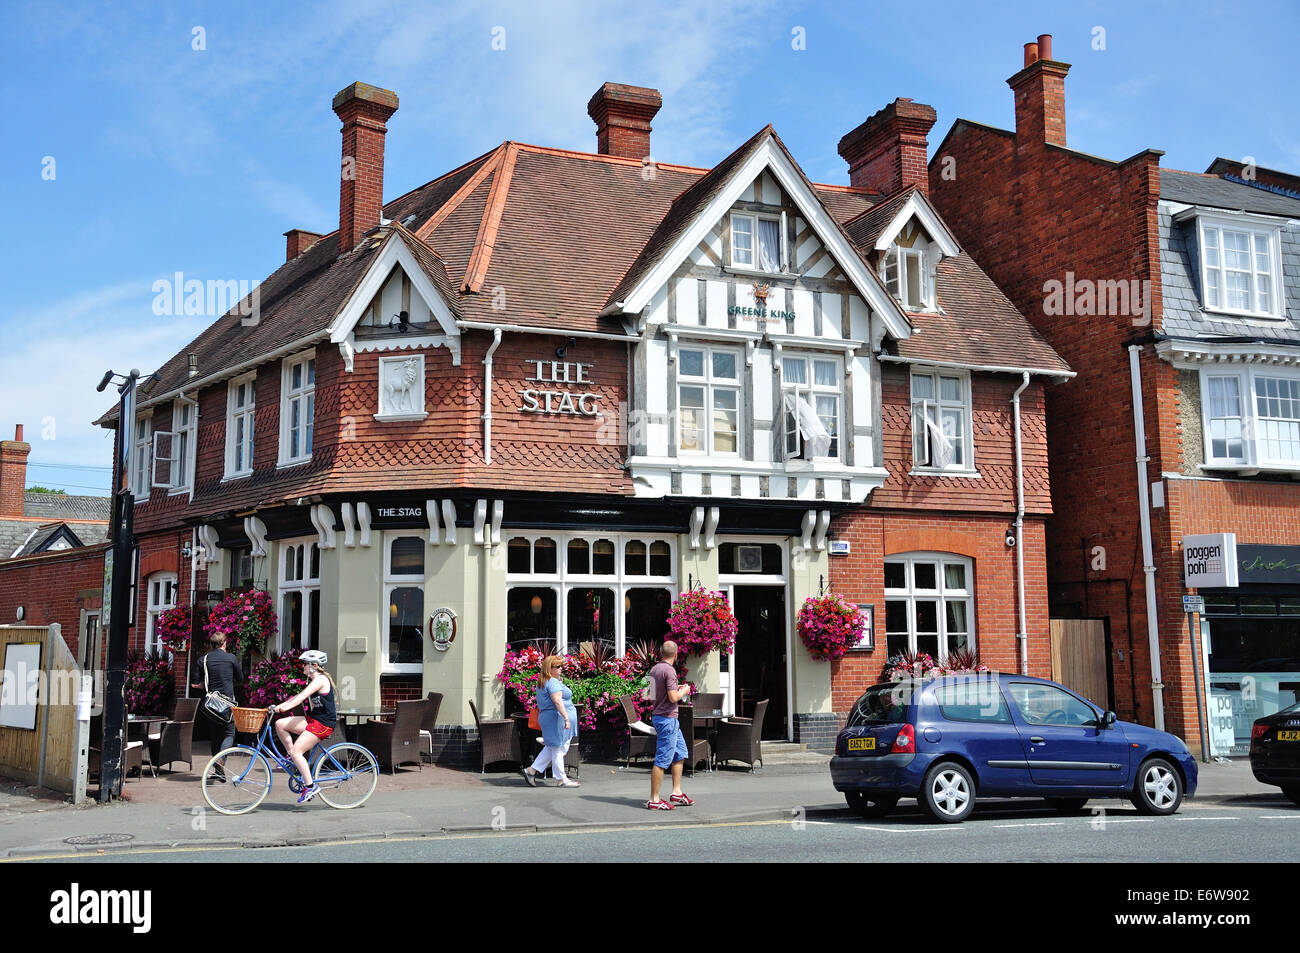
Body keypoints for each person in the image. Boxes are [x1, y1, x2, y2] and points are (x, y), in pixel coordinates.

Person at [271, 649, 337, 804]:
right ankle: (293, 758)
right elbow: (297, 698)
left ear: (314, 665)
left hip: (324, 724)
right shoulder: (313, 680)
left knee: (297, 751)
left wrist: (284, 708)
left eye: (305, 664)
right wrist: (279, 706)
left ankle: (310, 786)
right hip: (314, 720)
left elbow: (301, 697)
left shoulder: (321, 679)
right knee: (280, 724)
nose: (302, 667)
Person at [646, 640, 692, 810]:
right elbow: (673, 698)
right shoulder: (670, 671)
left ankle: (676, 792)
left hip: (661, 717)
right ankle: (654, 800)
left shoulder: (654, 669)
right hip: (667, 719)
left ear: (660, 653)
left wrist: (672, 689)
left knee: (680, 752)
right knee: (662, 759)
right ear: (676, 654)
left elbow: (648, 695)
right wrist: (683, 691)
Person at [521, 655, 580, 788]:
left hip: (551, 719)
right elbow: (557, 701)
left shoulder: (545, 681)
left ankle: (531, 771)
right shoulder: (552, 682)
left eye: (561, 666)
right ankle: (561, 779)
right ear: (549, 669)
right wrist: (566, 718)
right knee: (559, 748)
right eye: (557, 667)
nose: (561, 669)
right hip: (556, 719)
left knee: (552, 747)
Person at [196, 632, 244, 766]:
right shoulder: (231, 658)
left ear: (212, 645)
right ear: (224, 643)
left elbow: (195, 684)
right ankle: (221, 760)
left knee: (215, 737)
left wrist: (204, 684)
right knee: (229, 734)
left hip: (211, 704)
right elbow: (240, 678)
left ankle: (218, 771)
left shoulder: (203, 660)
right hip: (227, 703)